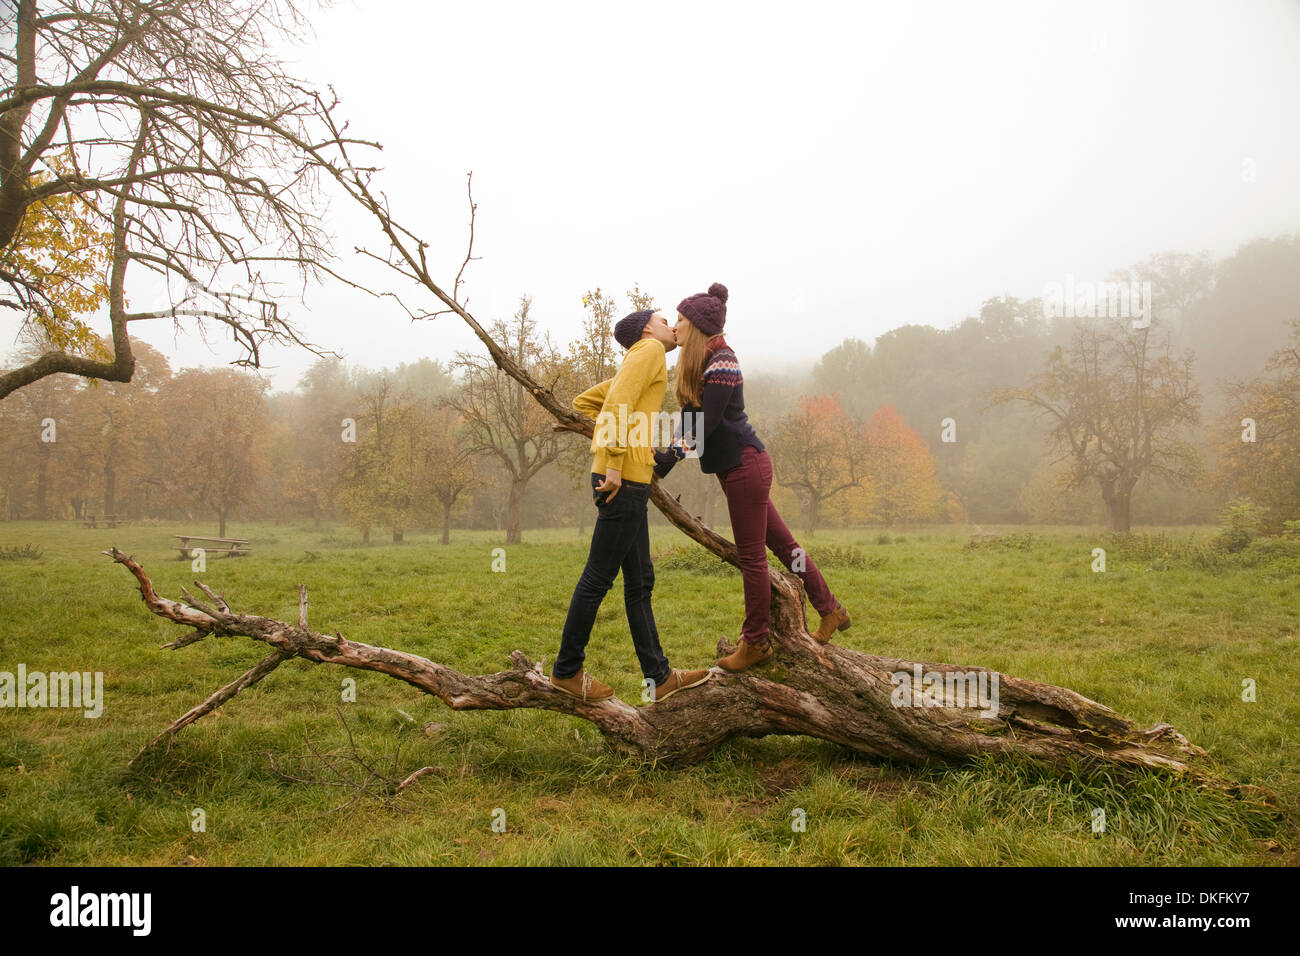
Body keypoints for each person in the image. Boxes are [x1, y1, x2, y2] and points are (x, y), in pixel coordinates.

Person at [654, 283, 851, 671]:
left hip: (746, 466)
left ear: (695, 326)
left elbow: (706, 424)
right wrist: (665, 457)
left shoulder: (723, 359)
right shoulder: (705, 362)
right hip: (738, 469)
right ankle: (831, 609)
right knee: (783, 545)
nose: (675, 326)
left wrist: (667, 459)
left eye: (679, 320)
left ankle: (756, 641)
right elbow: (691, 420)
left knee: (752, 558)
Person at [550, 310, 711, 702]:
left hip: (632, 480)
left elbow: (586, 402)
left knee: (640, 582)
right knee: (598, 578)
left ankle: (659, 677)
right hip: (621, 482)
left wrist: (630, 451)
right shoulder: (651, 349)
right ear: (646, 329)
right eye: (662, 319)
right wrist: (616, 463)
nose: (671, 326)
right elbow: (619, 402)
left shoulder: (637, 359)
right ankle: (566, 671)